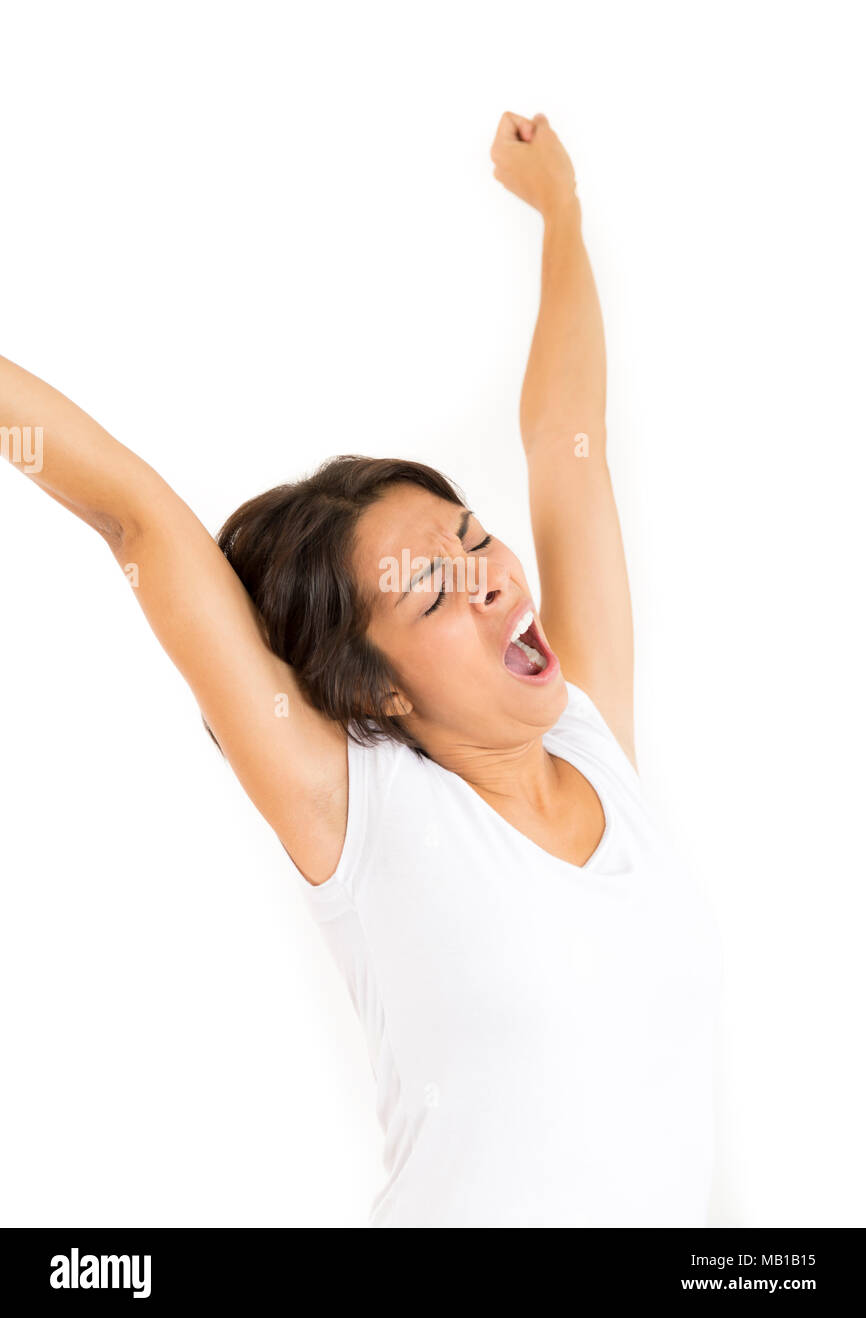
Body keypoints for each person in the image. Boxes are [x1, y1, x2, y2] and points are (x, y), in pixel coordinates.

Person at [1, 110, 722, 1228]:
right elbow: (135, 518)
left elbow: (566, 437)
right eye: (432, 588)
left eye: (471, 538)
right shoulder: (361, 811)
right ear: (377, 688)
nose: (485, 576)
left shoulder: (589, 731)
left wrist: (562, 209)